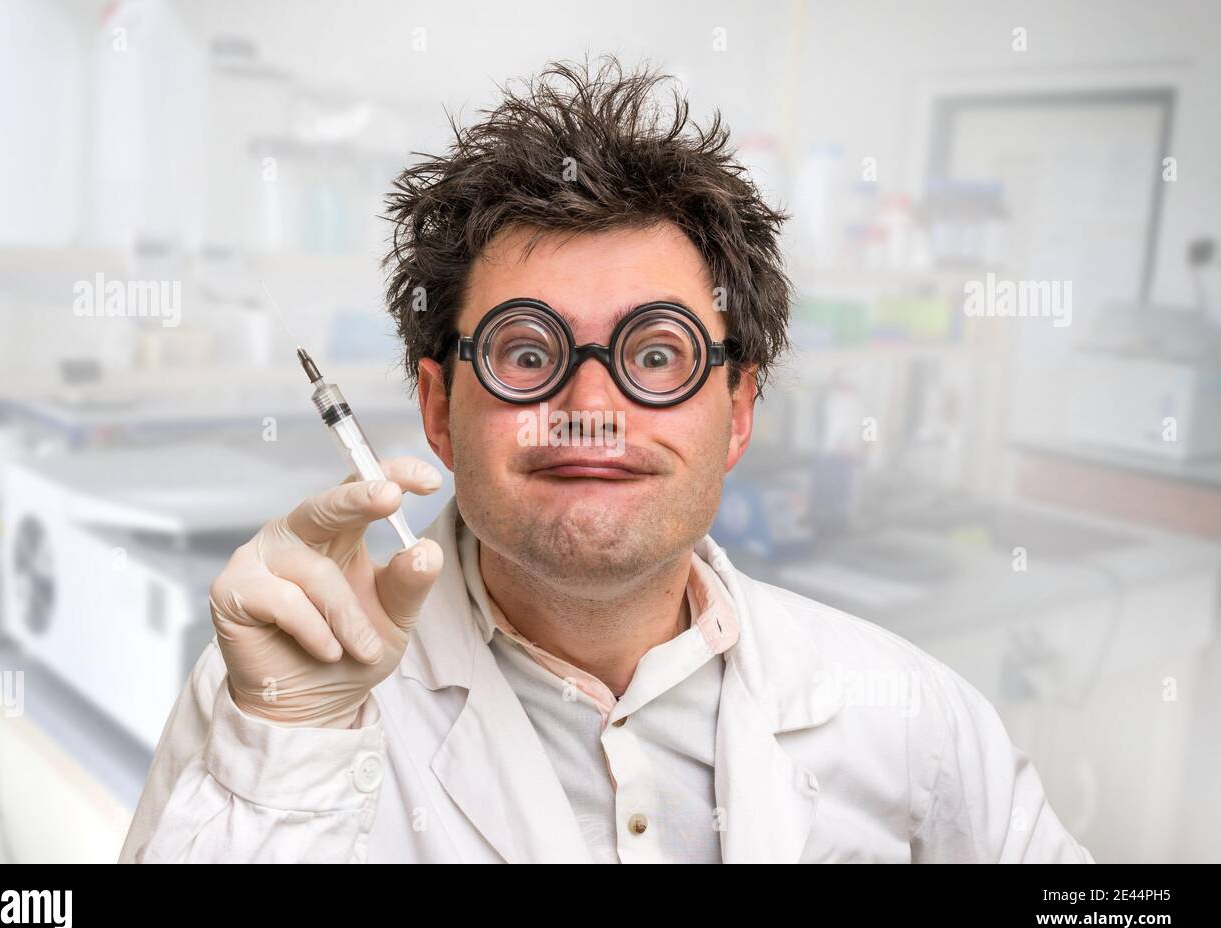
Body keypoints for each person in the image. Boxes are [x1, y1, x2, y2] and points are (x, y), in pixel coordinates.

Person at [120, 56, 1094, 863]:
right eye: (529, 353)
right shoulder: (275, 701)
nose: (590, 408)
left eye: (657, 355)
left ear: (738, 409)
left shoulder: (911, 716)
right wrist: (287, 760)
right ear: (437, 406)